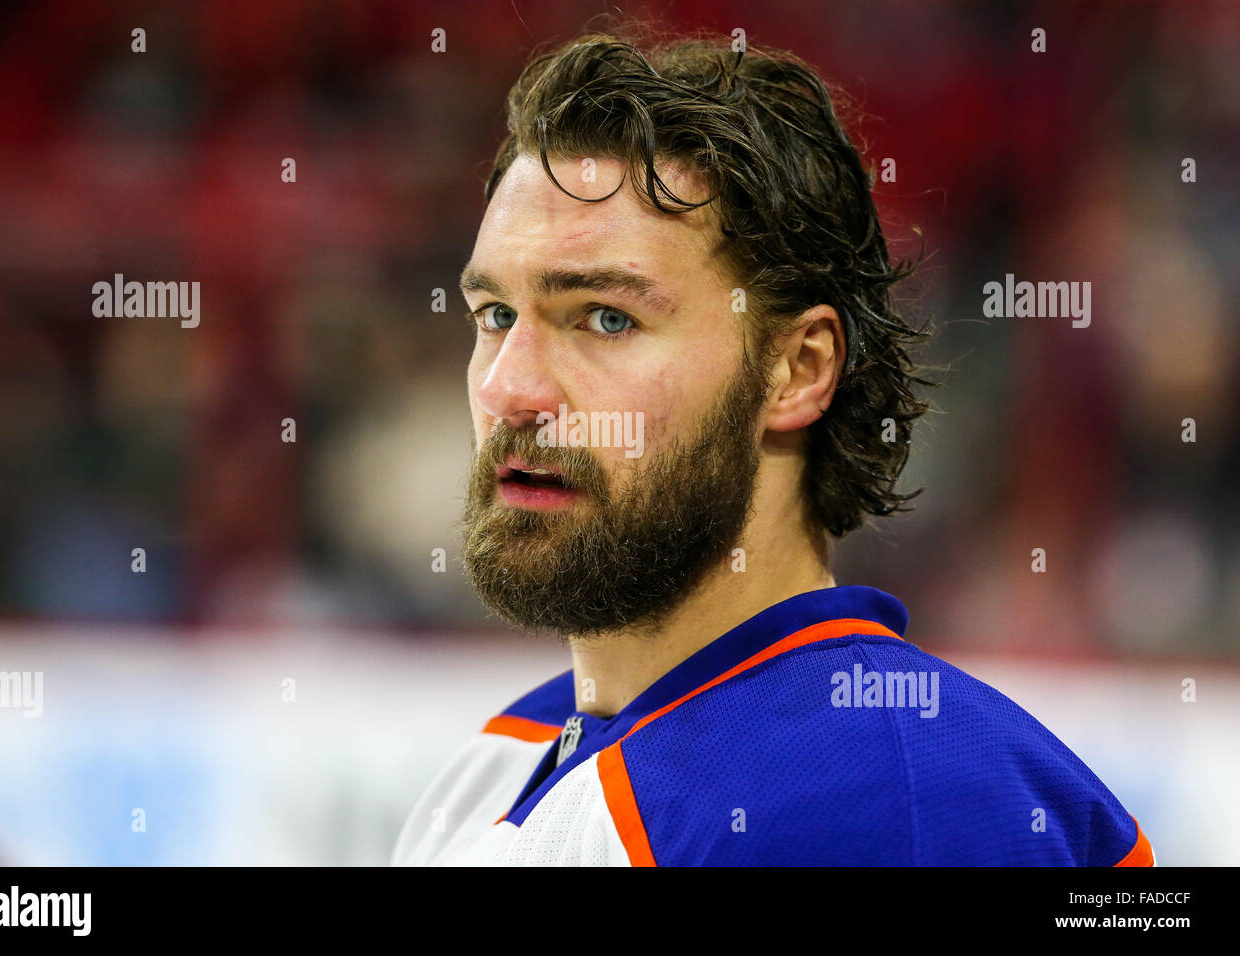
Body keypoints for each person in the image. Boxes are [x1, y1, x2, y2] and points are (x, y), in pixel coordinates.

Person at [392, 29, 1153, 866]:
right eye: (496, 316)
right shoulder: (498, 763)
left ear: (797, 369)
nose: (509, 390)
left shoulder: (893, 798)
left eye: (607, 318)